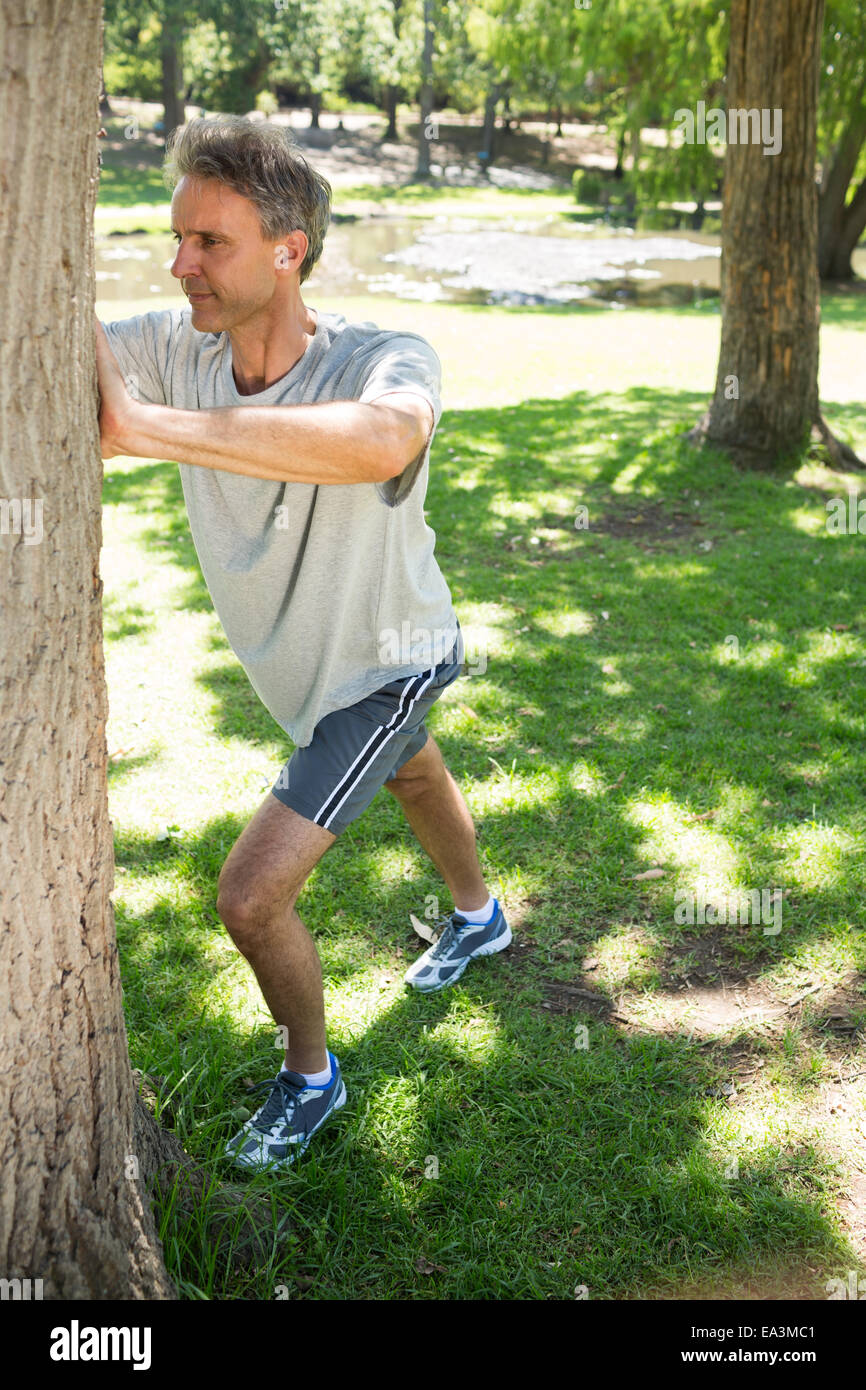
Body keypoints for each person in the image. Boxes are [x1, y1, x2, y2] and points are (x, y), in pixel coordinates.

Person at [96, 115, 511, 1173]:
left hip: (387, 663)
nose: (179, 262)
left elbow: (381, 440)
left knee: (247, 895)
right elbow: (58, 325)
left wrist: (148, 429)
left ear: (290, 250)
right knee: (416, 774)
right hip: (310, 675)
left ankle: (310, 1076)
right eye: (176, 236)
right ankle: (480, 915)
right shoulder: (176, 346)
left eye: (210, 242)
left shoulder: (382, 356)